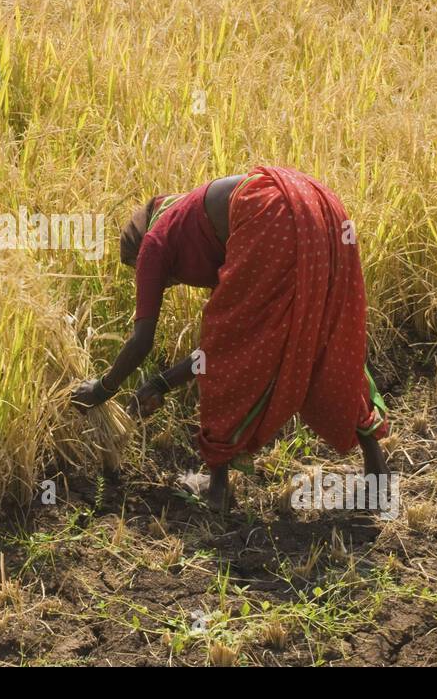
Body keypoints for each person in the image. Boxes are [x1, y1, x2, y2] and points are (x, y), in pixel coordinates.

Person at [71, 166, 390, 511]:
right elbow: (234, 339)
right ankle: (378, 472)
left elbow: (144, 340)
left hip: (274, 212)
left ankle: (218, 487)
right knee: (329, 337)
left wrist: (102, 390)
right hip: (323, 206)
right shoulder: (191, 219)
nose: (158, 283)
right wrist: (162, 384)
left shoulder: (153, 244)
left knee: (229, 355)